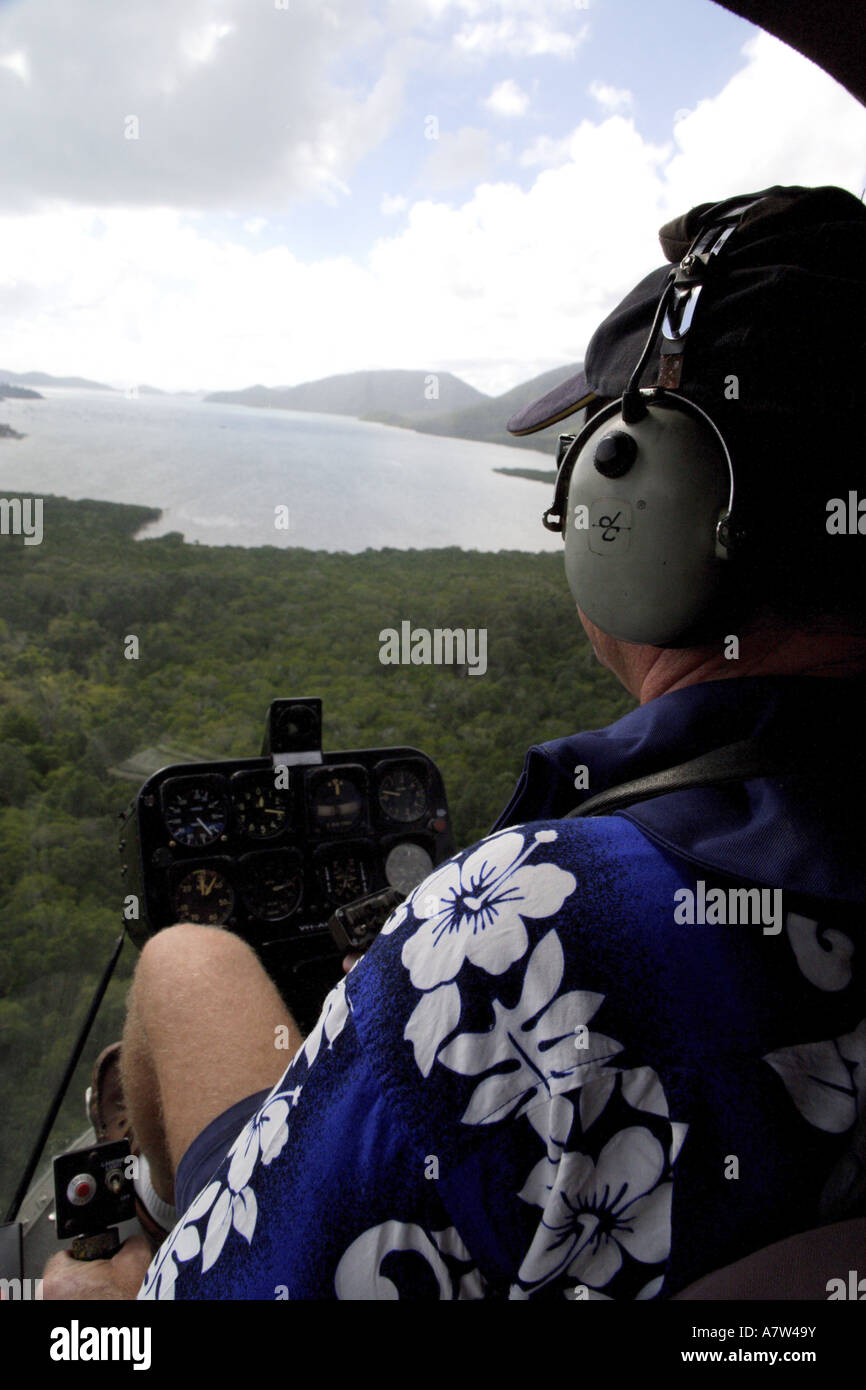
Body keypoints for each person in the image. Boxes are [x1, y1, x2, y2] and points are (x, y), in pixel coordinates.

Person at [44, 183, 866, 1301]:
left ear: (650, 500)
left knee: (105, 1230)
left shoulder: (534, 934)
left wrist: (439, 990)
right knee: (196, 963)